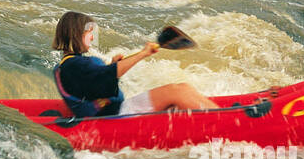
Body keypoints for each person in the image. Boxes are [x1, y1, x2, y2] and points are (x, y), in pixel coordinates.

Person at [52, 11, 216, 117]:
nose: (92, 38)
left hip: (115, 112)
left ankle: (219, 114)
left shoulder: (70, 64)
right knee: (178, 91)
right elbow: (107, 76)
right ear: (76, 34)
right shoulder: (75, 65)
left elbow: (96, 83)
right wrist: (143, 53)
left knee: (183, 88)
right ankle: (224, 118)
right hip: (118, 115)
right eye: (89, 33)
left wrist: (111, 65)